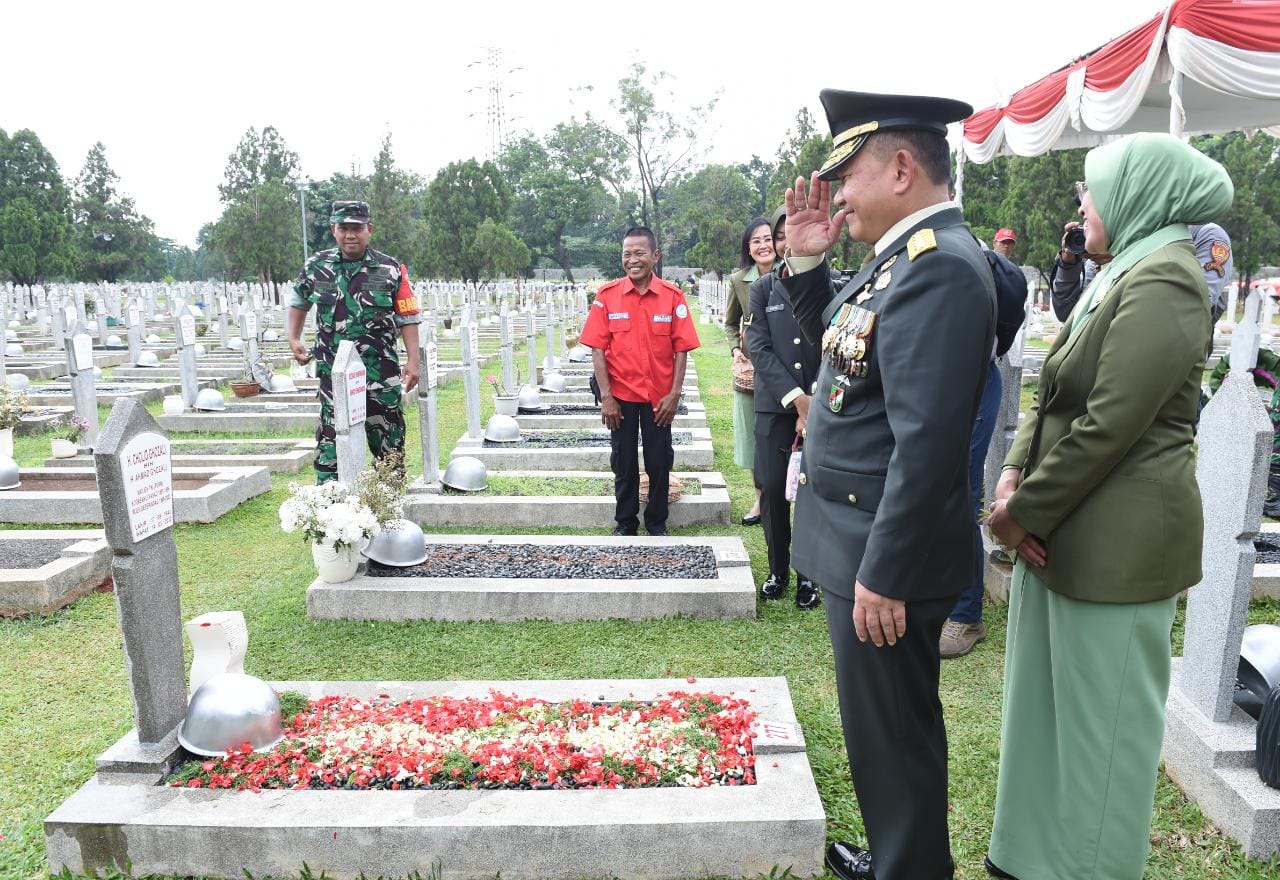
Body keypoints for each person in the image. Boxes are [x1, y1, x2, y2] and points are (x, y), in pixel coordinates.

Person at [985, 133, 1233, 880]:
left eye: (1093, 190)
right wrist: (1016, 470)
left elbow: (1111, 423)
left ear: (1139, 193)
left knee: (1102, 737)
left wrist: (1019, 514)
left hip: (1117, 542)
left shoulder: (1169, 279)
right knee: (1043, 716)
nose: (1082, 204)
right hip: (1063, 525)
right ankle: (1027, 857)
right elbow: (1055, 377)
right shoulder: (1120, 268)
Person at [782, 89, 996, 880]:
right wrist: (808, 264)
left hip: (882, 557)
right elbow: (845, 355)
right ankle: (899, 858)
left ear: (902, 168)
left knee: (895, 735)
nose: (836, 197)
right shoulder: (903, 259)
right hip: (861, 543)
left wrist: (886, 570)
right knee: (882, 734)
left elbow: (929, 447)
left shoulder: (940, 268)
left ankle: (908, 870)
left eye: (849, 177)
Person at [288, 200, 420, 484]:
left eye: (357, 228)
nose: (350, 235)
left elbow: (407, 316)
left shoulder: (390, 268)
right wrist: (294, 337)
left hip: (380, 375)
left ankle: (390, 506)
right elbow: (299, 301)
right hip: (332, 373)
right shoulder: (316, 267)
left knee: (389, 444)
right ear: (333, 230)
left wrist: (413, 360)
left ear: (369, 229)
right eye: (344, 228)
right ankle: (331, 507)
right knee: (331, 441)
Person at [580, 226, 701, 537]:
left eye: (639, 253)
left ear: (655, 256)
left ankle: (657, 522)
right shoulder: (607, 297)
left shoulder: (672, 298)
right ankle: (626, 522)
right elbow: (597, 348)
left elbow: (682, 349)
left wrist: (674, 395)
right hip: (620, 397)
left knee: (659, 461)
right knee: (623, 461)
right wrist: (606, 396)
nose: (632, 260)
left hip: (658, 399)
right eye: (627, 254)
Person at [745, 206, 821, 609]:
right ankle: (777, 568)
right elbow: (758, 346)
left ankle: (808, 576)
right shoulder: (763, 290)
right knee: (773, 488)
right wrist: (796, 398)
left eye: (788, 233)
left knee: (809, 491)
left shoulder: (827, 285)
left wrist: (815, 398)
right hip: (776, 407)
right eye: (778, 237)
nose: (783, 242)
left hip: (823, 405)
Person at [1052, 220, 1231, 324]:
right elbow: (1067, 314)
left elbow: (1193, 310)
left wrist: (1119, 261)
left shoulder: (1205, 234)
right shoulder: (1116, 240)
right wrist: (1069, 263)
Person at [726, 218, 777, 526]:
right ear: (749, 248)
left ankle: (780, 496)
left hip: (786, 368)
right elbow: (732, 323)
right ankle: (759, 499)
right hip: (751, 368)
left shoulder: (793, 273)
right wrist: (735, 350)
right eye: (756, 241)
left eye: (768, 238)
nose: (763, 245)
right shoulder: (738, 280)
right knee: (751, 435)